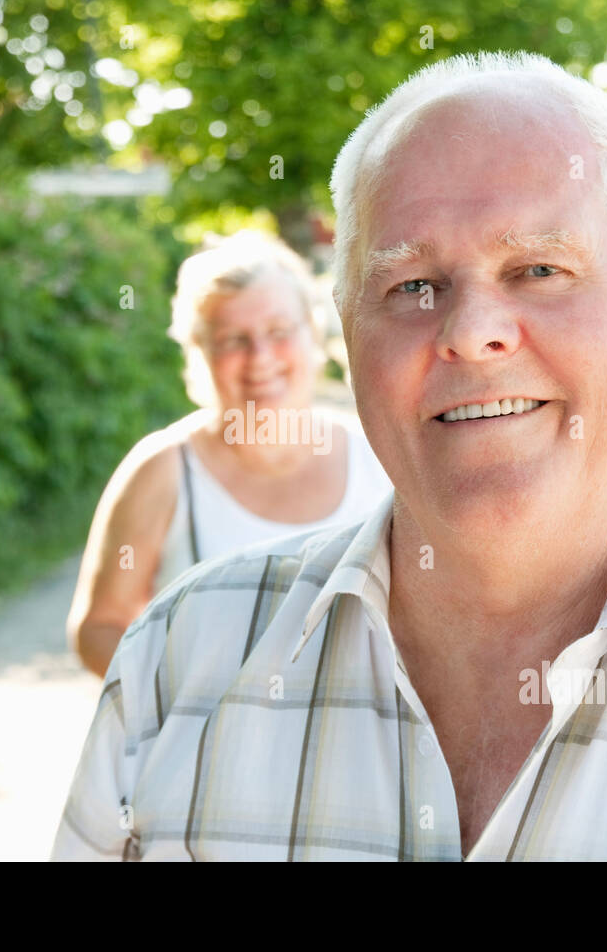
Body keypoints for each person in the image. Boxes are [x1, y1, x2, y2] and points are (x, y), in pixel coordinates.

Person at [53, 52, 607, 861]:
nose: (471, 333)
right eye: (411, 285)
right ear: (349, 337)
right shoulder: (173, 673)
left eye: (540, 269)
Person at [67, 230, 392, 678]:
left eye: (278, 332)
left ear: (312, 335)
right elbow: (98, 629)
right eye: (233, 340)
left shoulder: (380, 456)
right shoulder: (163, 470)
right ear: (199, 352)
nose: (260, 357)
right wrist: (191, 702)